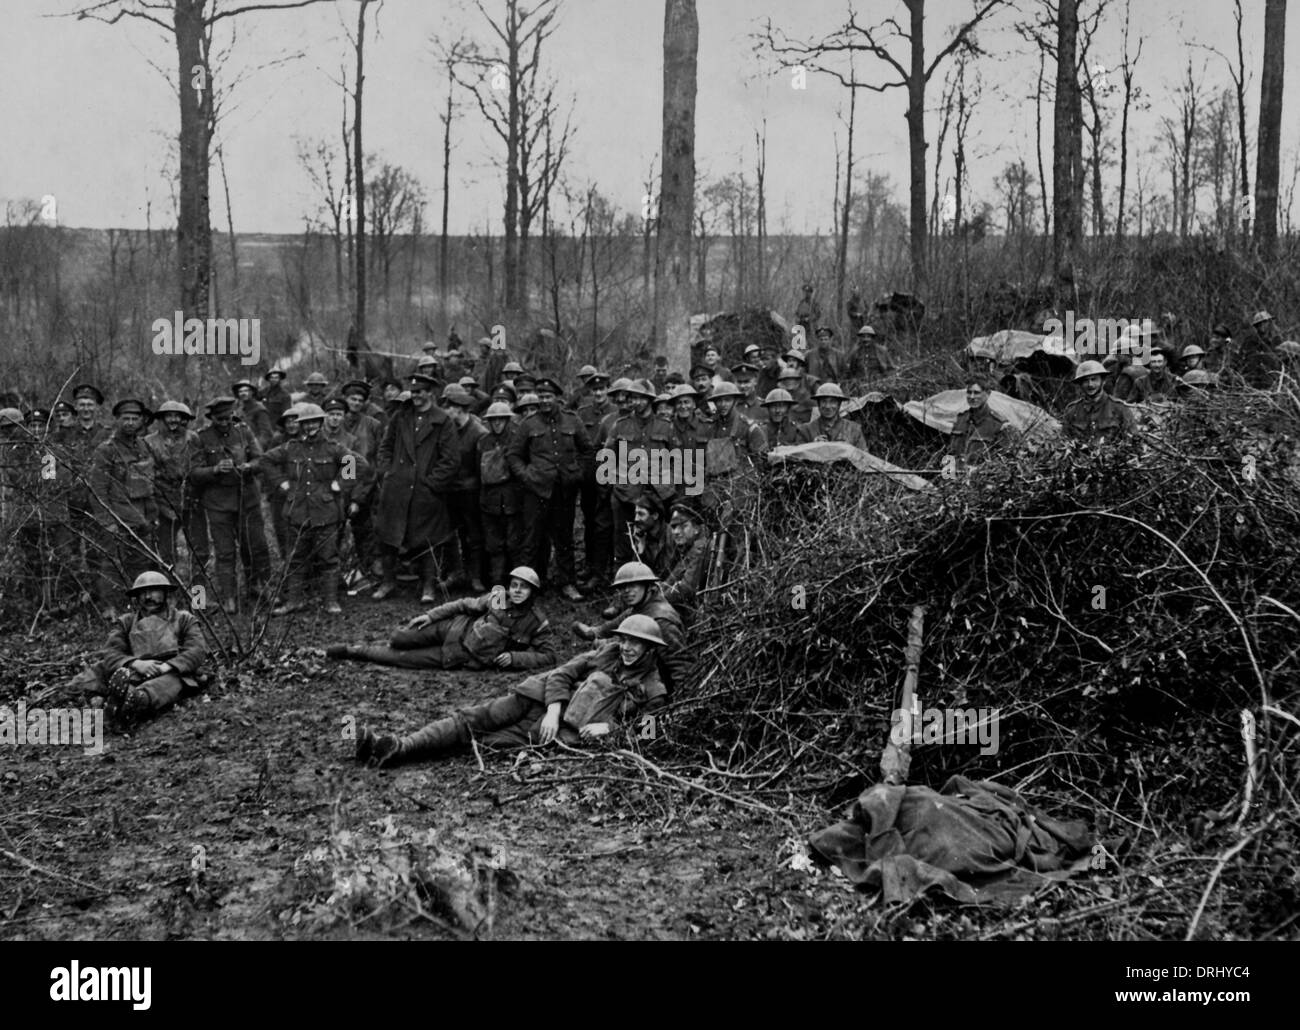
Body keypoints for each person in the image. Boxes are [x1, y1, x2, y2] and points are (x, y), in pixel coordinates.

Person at [354, 614, 668, 768]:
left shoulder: (654, 690)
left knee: (483, 744)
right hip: (536, 700)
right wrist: (553, 710)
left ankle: (395, 754)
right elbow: (561, 673)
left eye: (636, 643)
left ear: (651, 649)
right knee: (472, 719)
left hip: (554, 734)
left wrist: (610, 729)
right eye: (625, 639)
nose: (627, 647)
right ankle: (399, 745)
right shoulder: (606, 653)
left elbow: (649, 733)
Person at [328, 566, 555, 670]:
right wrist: (430, 616)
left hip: (460, 655)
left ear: (533, 592)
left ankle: (352, 650)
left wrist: (515, 658)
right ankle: (372, 645)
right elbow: (463, 604)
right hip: (453, 628)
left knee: (400, 658)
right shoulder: (499, 597)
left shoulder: (536, 621)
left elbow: (549, 656)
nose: (517, 591)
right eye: (514, 585)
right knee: (399, 638)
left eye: (524, 587)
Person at [258, 403, 367, 616]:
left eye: (314, 422)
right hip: (297, 512)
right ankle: (294, 601)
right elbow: (265, 461)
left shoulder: (333, 448)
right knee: (295, 559)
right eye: (305, 423)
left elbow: (359, 464)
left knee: (328, 558)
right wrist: (282, 484)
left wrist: (340, 484)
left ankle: (330, 601)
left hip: (325, 512)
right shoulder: (291, 448)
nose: (310, 427)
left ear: (321, 422)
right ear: (301, 425)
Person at [372, 372, 461, 603]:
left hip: (425, 491)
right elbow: (385, 447)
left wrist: (431, 484)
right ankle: (388, 582)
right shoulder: (401, 416)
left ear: (430, 393)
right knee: (389, 536)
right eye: (413, 392)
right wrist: (387, 473)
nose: (415, 396)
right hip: (397, 488)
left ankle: (428, 586)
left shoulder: (443, 420)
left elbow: (451, 460)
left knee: (427, 539)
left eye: (420, 392)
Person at [81, 571, 209, 728]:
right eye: (143, 593)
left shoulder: (183, 619)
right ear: (137, 597)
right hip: (136, 673)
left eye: (154, 591)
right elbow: (111, 652)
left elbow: (197, 650)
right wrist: (136, 664)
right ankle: (110, 705)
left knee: (155, 690)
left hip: (173, 674)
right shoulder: (126, 622)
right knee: (103, 675)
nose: (148, 596)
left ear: (165, 593)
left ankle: (132, 703)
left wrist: (167, 667)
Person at [507, 378, 592, 600]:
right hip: (536, 491)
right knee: (532, 539)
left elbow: (587, 450)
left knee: (564, 539)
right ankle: (530, 582)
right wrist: (526, 476)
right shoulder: (529, 424)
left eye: (548, 396)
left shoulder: (572, 420)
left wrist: (577, 474)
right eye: (541, 396)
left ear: (557, 398)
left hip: (564, 491)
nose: (544, 400)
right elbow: (514, 455)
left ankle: (567, 582)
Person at [189, 396, 271, 613]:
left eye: (228, 418)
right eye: (220, 419)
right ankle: (229, 597)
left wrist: (249, 466)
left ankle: (258, 588)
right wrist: (214, 470)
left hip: (247, 501)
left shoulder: (244, 432)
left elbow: (261, 460)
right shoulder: (201, 437)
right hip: (218, 504)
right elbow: (194, 473)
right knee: (225, 552)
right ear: (212, 418)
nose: (224, 423)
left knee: (254, 547)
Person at [88, 399, 158, 620]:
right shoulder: (106, 450)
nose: (130, 423)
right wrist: (107, 521)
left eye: (134, 419)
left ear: (141, 421)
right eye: (125, 418)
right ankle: (110, 608)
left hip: (141, 517)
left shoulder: (144, 446)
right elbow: (97, 489)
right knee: (112, 564)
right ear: (117, 420)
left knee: (140, 562)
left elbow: (149, 484)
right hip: (117, 517)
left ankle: (137, 605)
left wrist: (151, 516)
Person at [573, 561, 689, 693]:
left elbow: (681, 667)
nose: (627, 591)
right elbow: (618, 622)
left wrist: (679, 699)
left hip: (651, 685)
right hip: (637, 670)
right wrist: (596, 632)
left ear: (648, 586)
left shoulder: (661, 621)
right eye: (622, 587)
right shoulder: (643, 605)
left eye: (633, 585)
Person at [605, 378, 676, 567]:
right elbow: (607, 457)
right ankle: (622, 578)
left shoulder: (666, 426)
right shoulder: (620, 425)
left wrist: (666, 486)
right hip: (625, 495)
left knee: (655, 543)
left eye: (640, 398)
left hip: (656, 496)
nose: (636, 402)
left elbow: (677, 459)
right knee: (623, 543)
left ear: (650, 400)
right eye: (633, 398)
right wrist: (617, 482)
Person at [145, 400, 207, 578]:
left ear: (184, 419)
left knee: (199, 552)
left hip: (191, 502)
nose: (173, 420)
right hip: (162, 504)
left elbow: (199, 466)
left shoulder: (193, 438)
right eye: (169, 416)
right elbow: (147, 474)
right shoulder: (149, 442)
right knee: (166, 553)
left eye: (177, 416)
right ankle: (170, 591)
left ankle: (199, 594)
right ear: (161, 419)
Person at [440, 383, 487, 591]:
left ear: (458, 408)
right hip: (449, 492)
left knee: (473, 534)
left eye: (448, 407)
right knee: (448, 534)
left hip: (470, 493)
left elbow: (481, 470)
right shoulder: (446, 430)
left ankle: (474, 576)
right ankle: (455, 573)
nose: (444, 411)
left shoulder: (478, 433)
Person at [574, 370, 615, 591]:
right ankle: (591, 564)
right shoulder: (583, 413)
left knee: (609, 522)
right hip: (590, 475)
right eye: (595, 389)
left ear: (608, 389)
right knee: (591, 521)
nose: (598, 393)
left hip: (610, 475)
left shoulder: (616, 413)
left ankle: (609, 567)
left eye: (602, 389)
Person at [1063, 360, 1137, 446]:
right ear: (1080, 384)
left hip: (1112, 454)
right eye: (1085, 381)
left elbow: (1133, 441)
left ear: (1103, 380)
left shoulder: (1120, 408)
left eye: (1094, 379)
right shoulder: (1072, 410)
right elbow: (1065, 441)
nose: (1090, 384)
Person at [947, 380, 1019, 464]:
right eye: (969, 392)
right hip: (957, 470)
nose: (972, 397)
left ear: (988, 394)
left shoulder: (999, 424)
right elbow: (951, 453)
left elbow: (1005, 461)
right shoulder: (960, 419)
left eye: (977, 393)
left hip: (982, 471)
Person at [661, 504, 710, 624]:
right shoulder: (686, 549)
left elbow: (686, 588)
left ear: (696, 529)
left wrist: (658, 599)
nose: (676, 532)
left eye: (683, 526)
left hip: (692, 615)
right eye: (673, 527)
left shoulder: (701, 548)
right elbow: (670, 579)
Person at [798, 383, 866, 449]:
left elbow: (863, 455)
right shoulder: (805, 430)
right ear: (818, 404)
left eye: (832, 402)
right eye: (824, 401)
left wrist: (846, 449)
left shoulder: (854, 430)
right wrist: (812, 446)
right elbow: (797, 454)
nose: (828, 406)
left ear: (839, 404)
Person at [232, 379, 273, 448]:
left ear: (252, 392)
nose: (243, 393)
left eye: (246, 391)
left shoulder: (260, 409)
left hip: (258, 446)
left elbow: (265, 434)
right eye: (240, 391)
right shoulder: (239, 410)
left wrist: (257, 448)